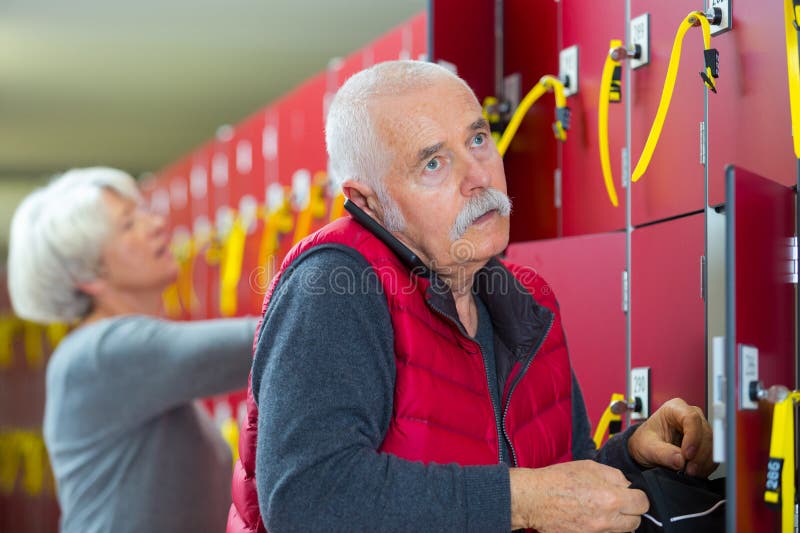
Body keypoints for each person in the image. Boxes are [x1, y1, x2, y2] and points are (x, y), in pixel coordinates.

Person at [227, 61, 714, 533]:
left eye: (478, 140)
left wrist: (628, 458)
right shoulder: (336, 289)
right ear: (367, 201)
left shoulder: (527, 303)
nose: (478, 176)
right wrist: (526, 500)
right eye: (434, 163)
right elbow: (311, 498)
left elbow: (557, 483)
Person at [7, 167, 258, 533]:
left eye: (143, 212)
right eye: (128, 224)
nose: (155, 223)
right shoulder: (102, 353)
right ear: (88, 275)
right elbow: (265, 341)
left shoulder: (103, 354)